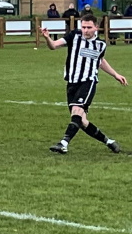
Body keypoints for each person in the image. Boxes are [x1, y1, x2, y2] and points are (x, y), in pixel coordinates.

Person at [42, 14, 125, 155]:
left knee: (77, 111)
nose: (85, 30)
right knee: (81, 121)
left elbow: (100, 61)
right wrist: (47, 38)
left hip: (88, 82)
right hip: (72, 83)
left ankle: (64, 143)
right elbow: (54, 46)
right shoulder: (74, 36)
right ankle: (108, 141)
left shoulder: (100, 45)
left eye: (89, 27)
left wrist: (115, 75)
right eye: (83, 27)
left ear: (96, 27)